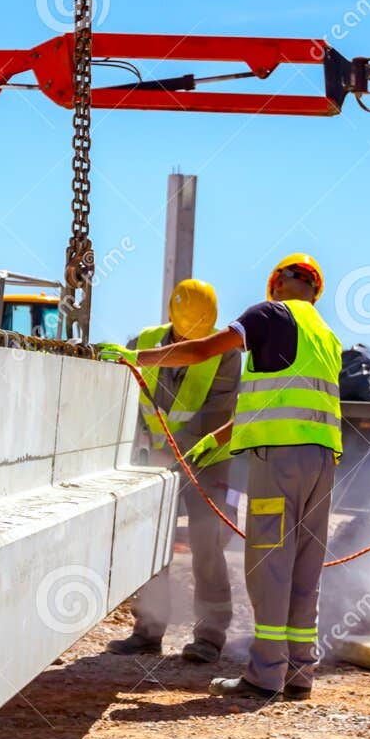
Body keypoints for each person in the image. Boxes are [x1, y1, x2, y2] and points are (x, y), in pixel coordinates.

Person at [101, 254, 342, 703]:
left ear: (276, 283)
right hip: (322, 463)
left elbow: (203, 349)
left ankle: (264, 676)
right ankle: (297, 674)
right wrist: (219, 437)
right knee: (305, 571)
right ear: (316, 290)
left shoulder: (269, 313)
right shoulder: (327, 337)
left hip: (278, 460)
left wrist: (137, 358)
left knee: (269, 566)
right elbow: (273, 401)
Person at [104, 280, 241, 664]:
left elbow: (216, 416)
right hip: (155, 463)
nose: (190, 338)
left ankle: (210, 637)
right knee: (151, 545)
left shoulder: (224, 354)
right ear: (170, 318)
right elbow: (130, 401)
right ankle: (147, 631)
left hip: (208, 458)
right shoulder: (144, 341)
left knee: (207, 545)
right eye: (184, 332)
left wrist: (178, 455)